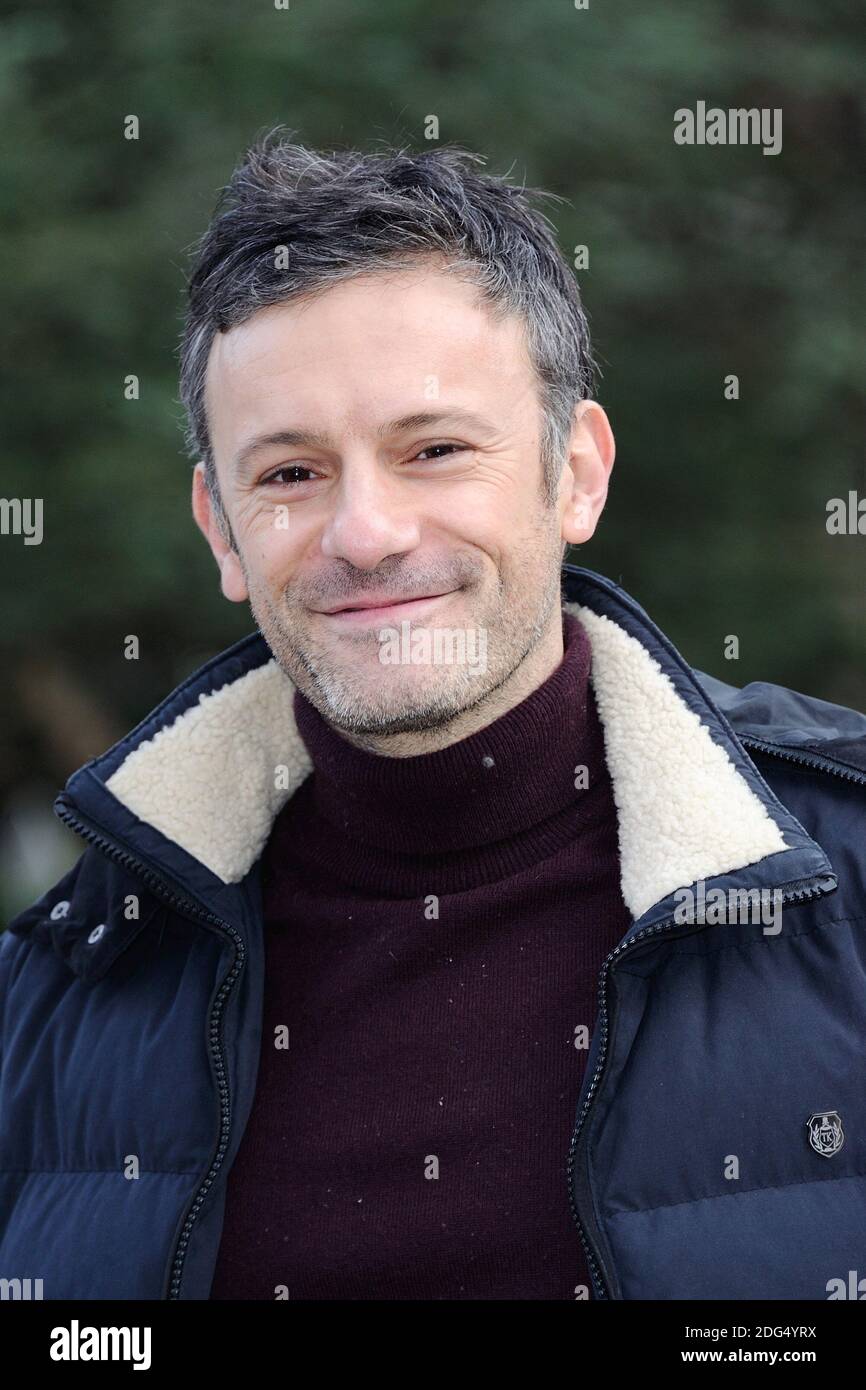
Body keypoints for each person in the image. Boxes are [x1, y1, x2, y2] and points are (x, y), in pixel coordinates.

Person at [2, 131, 865, 1302]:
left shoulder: (838, 884)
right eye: (291, 473)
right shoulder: (68, 975)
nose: (365, 533)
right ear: (219, 526)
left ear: (576, 473)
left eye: (435, 449)